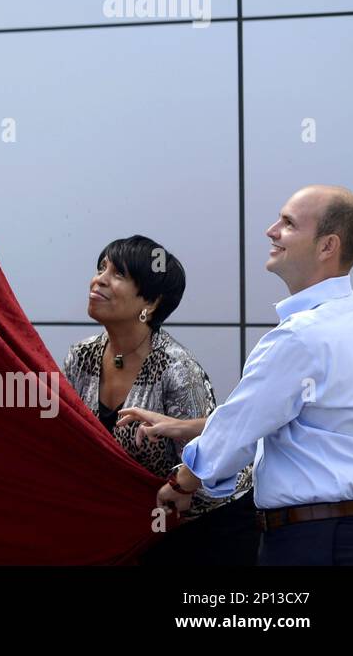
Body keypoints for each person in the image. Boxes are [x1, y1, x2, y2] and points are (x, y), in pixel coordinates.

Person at [156, 185, 353, 565]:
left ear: (327, 246)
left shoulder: (301, 336)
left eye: (288, 223)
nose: (271, 230)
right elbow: (306, 421)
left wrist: (182, 481)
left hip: (312, 541)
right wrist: (194, 428)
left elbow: (240, 429)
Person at [63, 236, 257, 564]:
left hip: (208, 526)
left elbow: (207, 457)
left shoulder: (175, 366)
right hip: (138, 525)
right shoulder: (81, 356)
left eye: (118, 274)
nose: (99, 279)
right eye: (101, 268)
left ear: (150, 303)